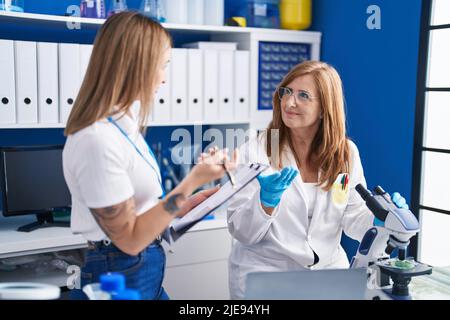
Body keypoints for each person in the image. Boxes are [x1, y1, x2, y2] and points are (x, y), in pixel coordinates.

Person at [62, 12, 238, 300]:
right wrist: (192, 181)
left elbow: (140, 211)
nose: (164, 79)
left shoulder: (123, 127)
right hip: (121, 270)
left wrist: (187, 205)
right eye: (162, 66)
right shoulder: (96, 140)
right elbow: (130, 239)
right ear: (136, 67)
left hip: (144, 266)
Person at [226, 61, 408, 299]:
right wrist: (265, 203)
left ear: (324, 108)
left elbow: (352, 218)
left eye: (303, 96)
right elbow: (242, 232)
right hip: (267, 276)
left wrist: (382, 218)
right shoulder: (257, 150)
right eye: (286, 92)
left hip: (328, 275)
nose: (290, 102)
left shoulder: (345, 154)